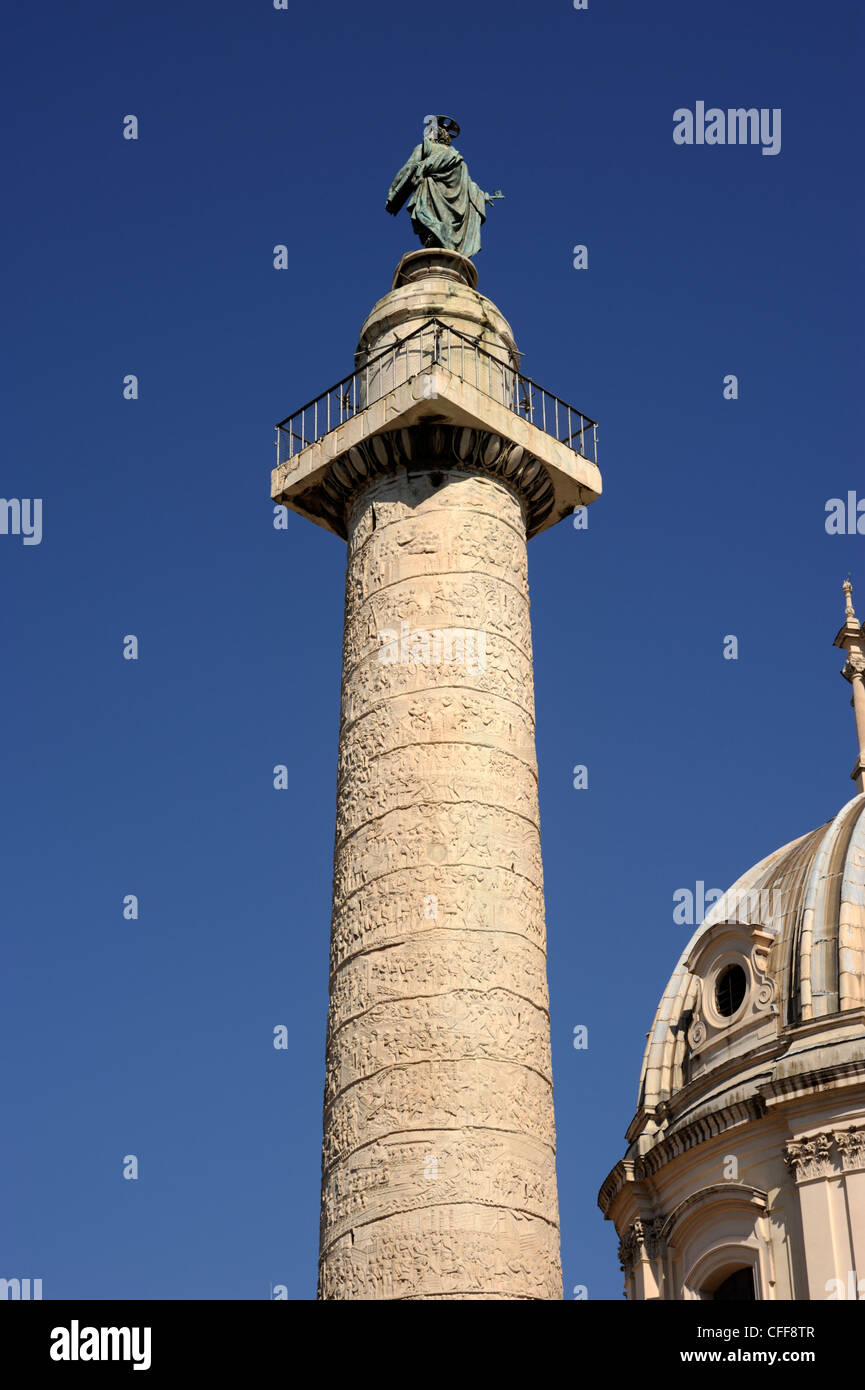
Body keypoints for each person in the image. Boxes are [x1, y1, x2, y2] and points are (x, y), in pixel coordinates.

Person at [385, 115, 503, 259]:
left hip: (429, 194)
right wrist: (480, 195)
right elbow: (469, 186)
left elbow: (408, 169)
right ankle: (439, 237)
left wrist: (394, 192)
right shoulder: (457, 158)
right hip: (444, 202)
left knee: (428, 221)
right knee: (433, 225)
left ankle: (436, 236)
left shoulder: (426, 148)